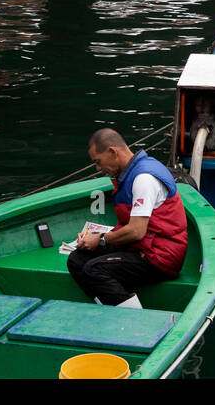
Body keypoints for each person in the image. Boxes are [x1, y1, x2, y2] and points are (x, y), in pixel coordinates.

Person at [67, 129, 189, 308]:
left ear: (112, 152)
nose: (98, 168)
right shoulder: (129, 175)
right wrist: (92, 239)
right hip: (142, 247)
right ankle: (110, 307)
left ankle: (134, 321)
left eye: (98, 162)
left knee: (95, 269)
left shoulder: (143, 179)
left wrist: (100, 240)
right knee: (76, 260)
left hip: (160, 256)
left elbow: (136, 231)